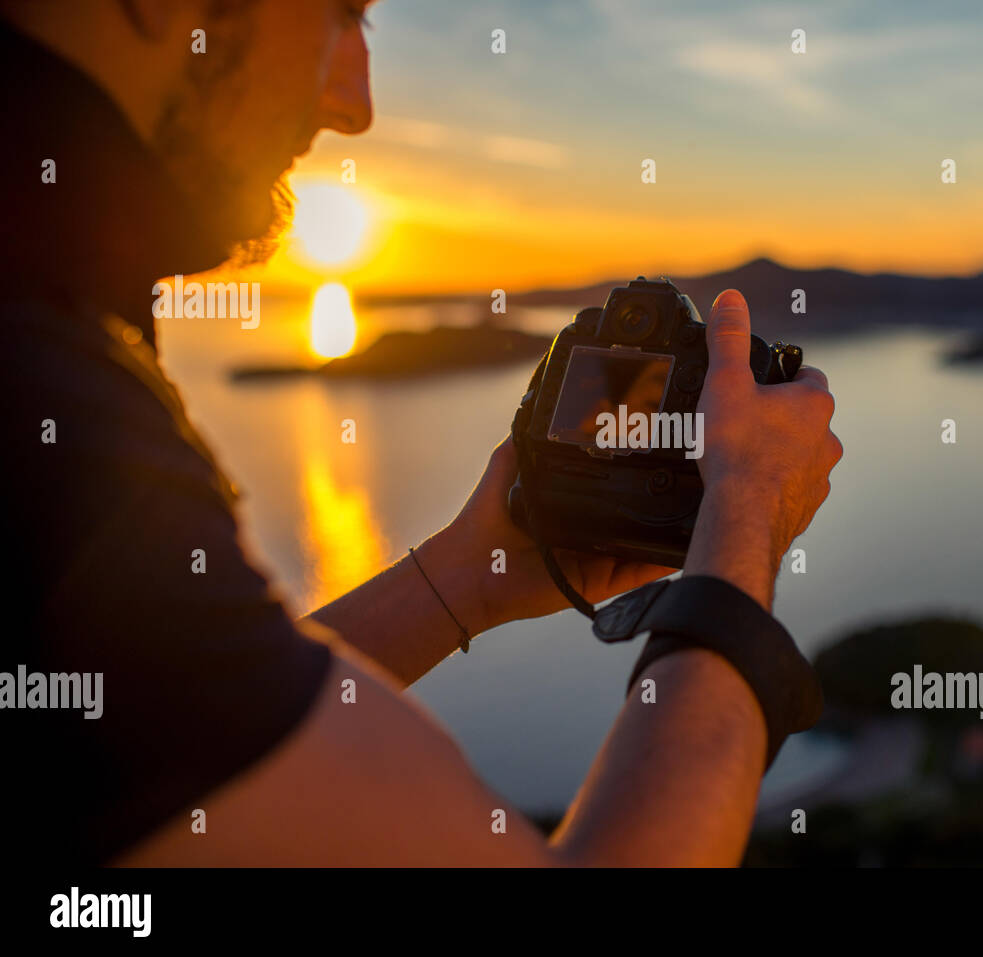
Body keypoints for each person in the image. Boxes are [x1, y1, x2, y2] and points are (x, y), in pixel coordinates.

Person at [0, 0, 842, 866]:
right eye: (338, 15)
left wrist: (472, 576)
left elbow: (160, 722)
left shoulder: (47, 347)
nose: (355, 103)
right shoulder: (42, 396)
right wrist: (745, 519)